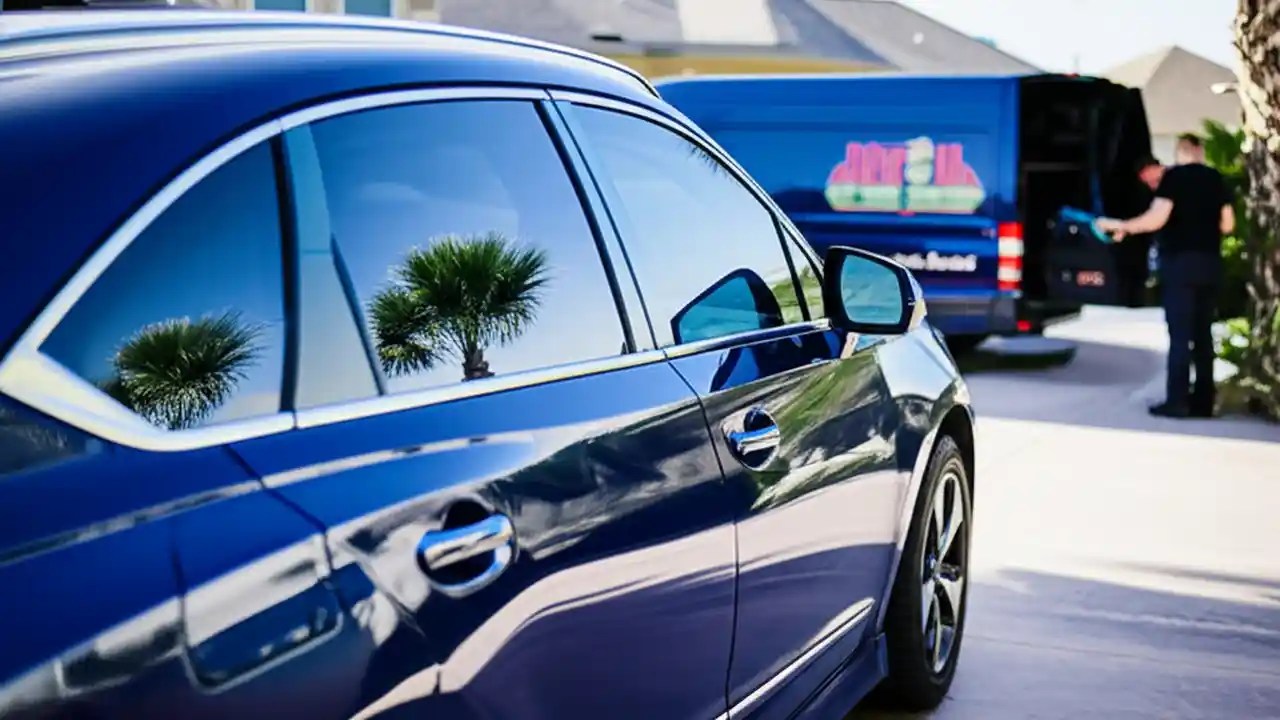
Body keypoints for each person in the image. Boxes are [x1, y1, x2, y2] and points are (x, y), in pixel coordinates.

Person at [1097, 134, 1235, 418]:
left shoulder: (1175, 178)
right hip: (1210, 263)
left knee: (1180, 336)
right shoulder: (1216, 179)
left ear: (1180, 151)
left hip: (1180, 264)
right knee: (1203, 335)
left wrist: (1121, 225)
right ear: (1201, 151)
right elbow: (1228, 224)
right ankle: (1204, 403)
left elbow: (1156, 218)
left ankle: (1177, 401)